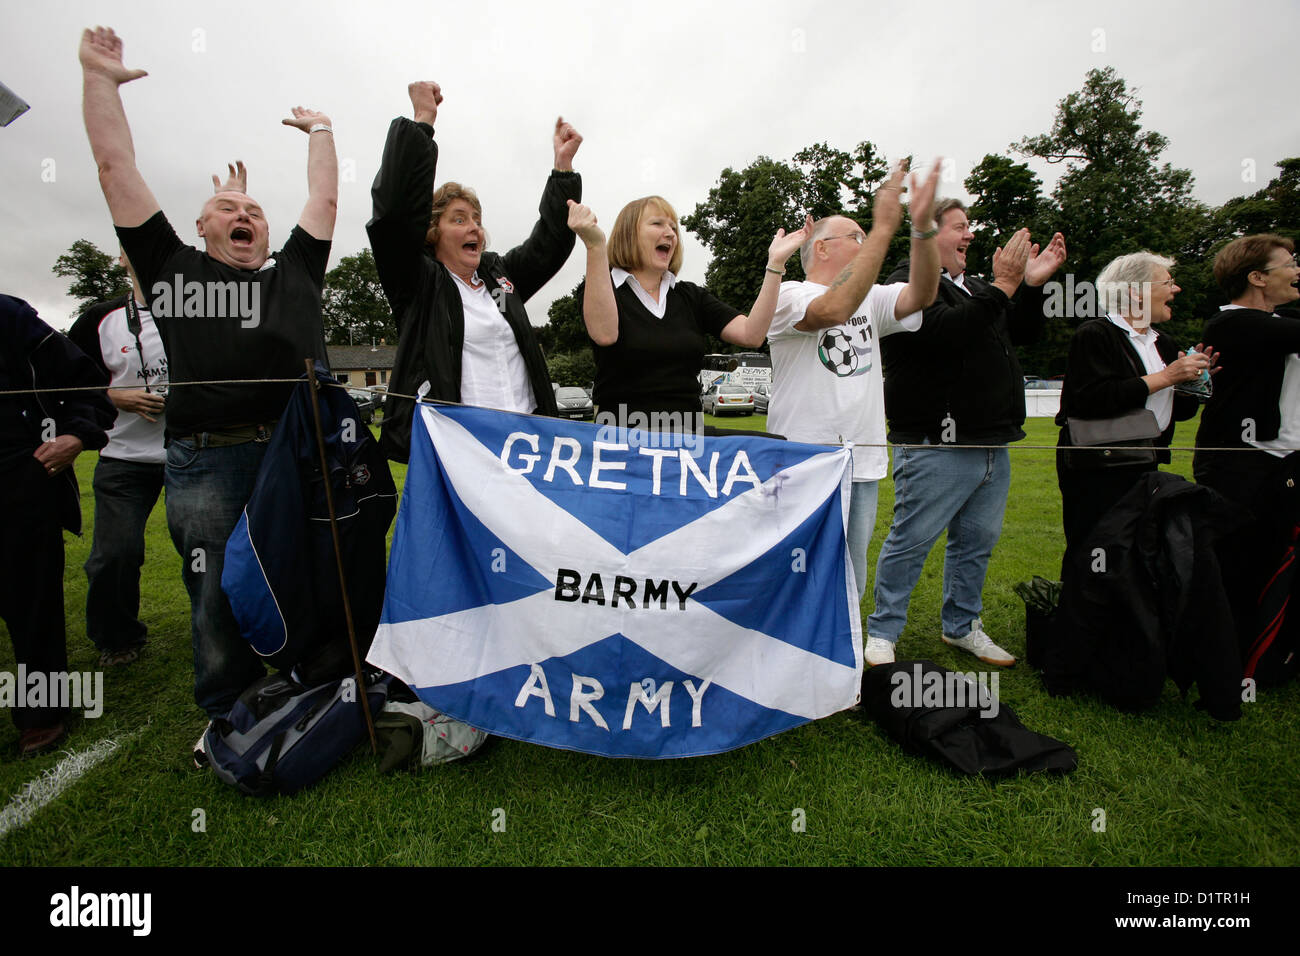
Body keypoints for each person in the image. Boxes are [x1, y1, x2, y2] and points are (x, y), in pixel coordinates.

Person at [80, 26, 338, 726]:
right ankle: (227, 708)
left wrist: (320, 132)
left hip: (294, 451)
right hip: (208, 461)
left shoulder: (294, 276)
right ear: (200, 228)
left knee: (305, 568)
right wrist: (99, 80)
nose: (245, 213)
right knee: (218, 589)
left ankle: (310, 681)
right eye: (228, 209)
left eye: (253, 208)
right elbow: (115, 170)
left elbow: (323, 204)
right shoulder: (173, 271)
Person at [865, 200, 1067, 666]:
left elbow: (1024, 331)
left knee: (976, 543)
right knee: (911, 541)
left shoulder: (976, 288)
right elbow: (948, 332)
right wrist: (1005, 285)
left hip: (993, 442)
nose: (970, 235)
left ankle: (962, 627)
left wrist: (1031, 286)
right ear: (928, 237)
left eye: (970, 226)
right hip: (936, 443)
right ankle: (882, 632)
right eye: (959, 227)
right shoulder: (906, 285)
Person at [369, 81, 580, 461]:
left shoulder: (500, 278)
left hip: (527, 442)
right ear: (434, 231)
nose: (474, 228)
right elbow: (394, 218)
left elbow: (549, 245)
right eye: (459, 219)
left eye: (477, 219)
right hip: (463, 450)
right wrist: (422, 123)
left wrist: (562, 170)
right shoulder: (419, 282)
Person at [766, 158, 942, 605]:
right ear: (821, 248)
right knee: (794, 569)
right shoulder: (789, 296)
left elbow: (923, 294)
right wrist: (884, 229)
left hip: (861, 463)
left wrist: (921, 230)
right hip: (801, 462)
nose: (867, 244)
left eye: (867, 236)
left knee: (849, 575)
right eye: (857, 237)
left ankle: (841, 662)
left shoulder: (873, 298)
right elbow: (833, 311)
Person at [566, 196, 810, 426]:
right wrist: (595, 246)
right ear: (628, 234)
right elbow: (605, 334)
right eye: (657, 223)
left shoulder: (691, 296)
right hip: (621, 441)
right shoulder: (603, 288)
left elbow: (752, 334)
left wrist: (775, 265)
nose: (670, 233)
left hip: (686, 442)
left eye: (673, 227)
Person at [0, 295, 114, 754]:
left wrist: (76, 433)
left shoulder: (10, 318)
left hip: (17, 476)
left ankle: (40, 713)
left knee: (30, 601)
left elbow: (85, 381)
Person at [1055, 252, 1212, 550]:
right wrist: (1167, 377)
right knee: (1098, 550)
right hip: (1100, 469)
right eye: (1168, 282)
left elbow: (1177, 412)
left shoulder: (1162, 342)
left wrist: (1192, 383)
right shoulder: (1095, 334)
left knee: (1141, 554)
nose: (1176, 289)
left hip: (1147, 463)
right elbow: (1093, 399)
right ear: (1134, 292)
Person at [1194, 234, 1300, 652]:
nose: (1296, 271)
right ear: (1256, 277)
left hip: (1282, 461)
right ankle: (1229, 657)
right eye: (1289, 263)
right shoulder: (1232, 324)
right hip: (1242, 464)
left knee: (1276, 560)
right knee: (1238, 564)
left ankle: (1271, 651)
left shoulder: (1277, 325)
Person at [67, 248, 168, 667]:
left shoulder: (197, 315)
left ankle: (230, 630)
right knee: (115, 553)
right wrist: (113, 396)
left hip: (191, 450)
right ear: (122, 259)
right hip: (123, 456)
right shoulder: (98, 319)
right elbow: (64, 382)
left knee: (212, 551)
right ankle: (117, 637)